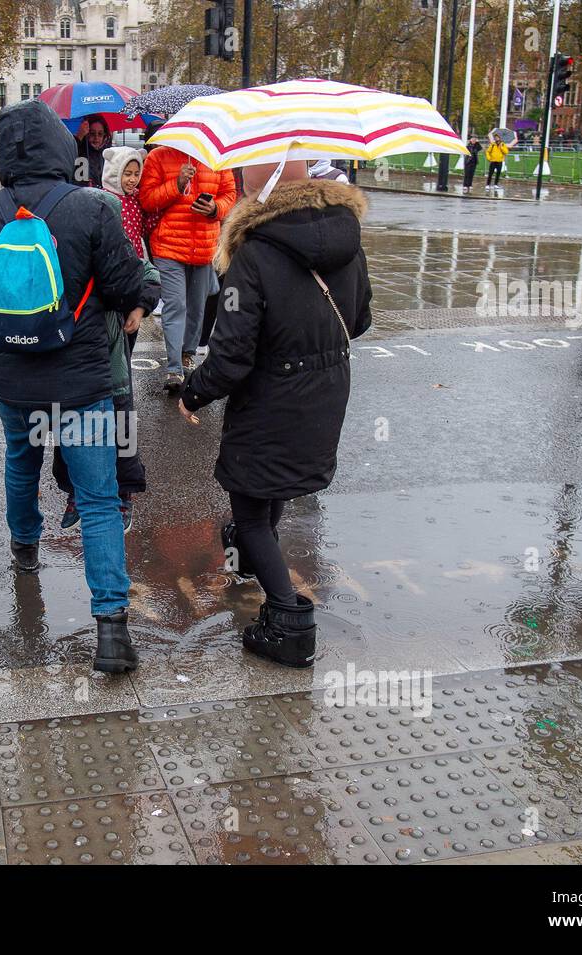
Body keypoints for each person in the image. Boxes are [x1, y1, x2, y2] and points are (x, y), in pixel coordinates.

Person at [0, 99, 149, 673]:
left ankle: (24, 549)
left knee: (20, 464)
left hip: (14, 379)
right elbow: (122, 285)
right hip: (82, 382)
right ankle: (111, 629)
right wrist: (144, 297)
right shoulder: (92, 208)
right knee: (97, 497)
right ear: (60, 149)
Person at [178, 161, 372, 669]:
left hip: (271, 394)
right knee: (272, 487)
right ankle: (245, 556)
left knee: (251, 505)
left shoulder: (256, 252)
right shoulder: (346, 235)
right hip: (327, 387)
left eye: (243, 178)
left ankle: (289, 622)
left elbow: (232, 356)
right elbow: (362, 318)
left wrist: (193, 393)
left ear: (256, 187)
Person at [51, 144, 160, 534]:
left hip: (111, 355)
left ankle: (123, 495)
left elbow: (148, 275)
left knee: (121, 422)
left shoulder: (120, 242)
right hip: (72, 355)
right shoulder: (61, 243)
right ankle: (75, 494)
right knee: (69, 426)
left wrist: (141, 307)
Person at [139, 142, 236, 394]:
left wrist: (215, 208)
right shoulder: (158, 157)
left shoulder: (217, 157)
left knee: (197, 307)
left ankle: (187, 353)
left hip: (204, 247)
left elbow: (229, 195)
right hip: (168, 246)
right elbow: (147, 200)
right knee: (176, 305)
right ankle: (173, 368)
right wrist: (177, 185)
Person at [76, 115, 111, 188]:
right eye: (92, 133)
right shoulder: (78, 149)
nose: (96, 138)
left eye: (100, 134)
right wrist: (79, 137)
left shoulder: (108, 154)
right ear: (87, 133)